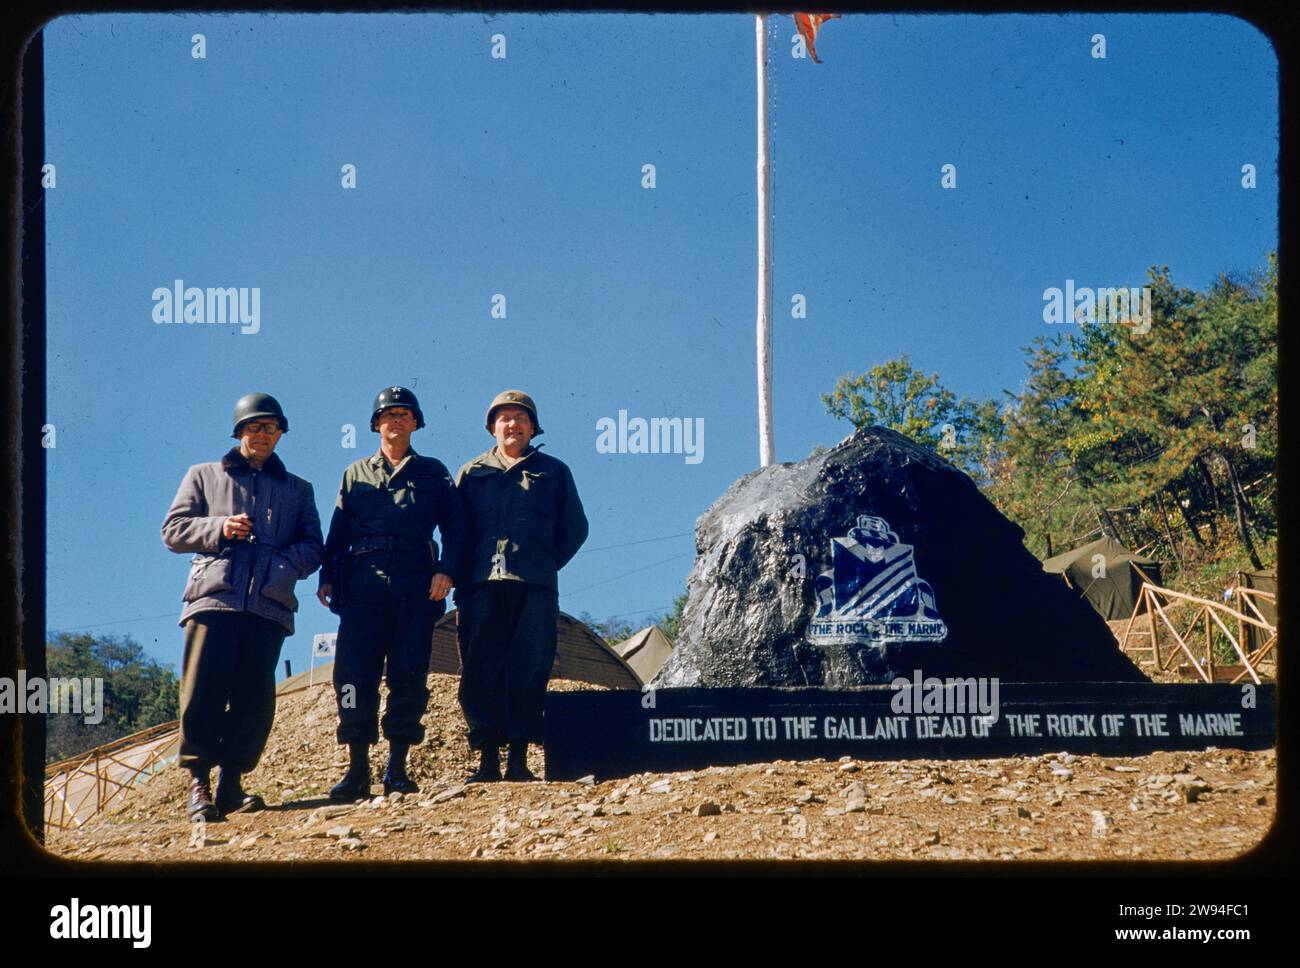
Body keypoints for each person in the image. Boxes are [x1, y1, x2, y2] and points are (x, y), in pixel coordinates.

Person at [162, 392, 323, 820]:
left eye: (270, 427)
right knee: (202, 693)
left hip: (268, 606)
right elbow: (173, 530)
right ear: (239, 432)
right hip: (214, 599)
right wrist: (220, 527)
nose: (262, 434)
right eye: (254, 427)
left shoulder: (298, 490)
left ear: (280, 434)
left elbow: (313, 546)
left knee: (254, 701)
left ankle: (232, 785)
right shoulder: (203, 475)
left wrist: (284, 566)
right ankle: (199, 785)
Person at [318, 387, 468, 801]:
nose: (396, 421)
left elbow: (455, 529)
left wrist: (446, 571)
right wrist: (328, 576)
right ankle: (356, 771)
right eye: (388, 415)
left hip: (415, 584)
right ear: (375, 424)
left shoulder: (434, 472)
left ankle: (397, 770)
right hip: (362, 582)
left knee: (408, 672)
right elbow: (338, 531)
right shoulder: (355, 474)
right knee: (352, 676)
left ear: (416, 423)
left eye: (404, 414)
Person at [455, 390, 588, 782]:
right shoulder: (470, 472)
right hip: (479, 586)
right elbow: (457, 533)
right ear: (492, 428)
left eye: (520, 418)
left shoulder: (554, 471)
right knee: (480, 668)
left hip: (534, 588)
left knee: (528, 668)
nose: (512, 425)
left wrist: (543, 564)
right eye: (504, 419)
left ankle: (518, 759)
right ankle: (486, 761)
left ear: (533, 427)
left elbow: (575, 528)